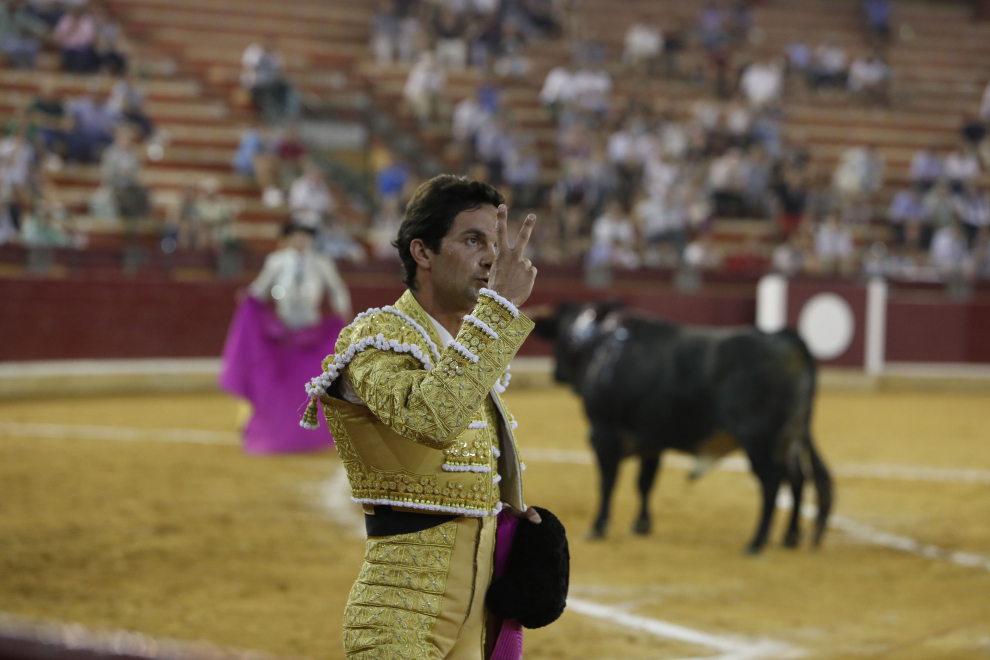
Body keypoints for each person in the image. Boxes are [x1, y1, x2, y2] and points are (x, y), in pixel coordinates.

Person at [299, 175, 541, 659]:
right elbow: (433, 418)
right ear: (423, 253)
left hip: (477, 617)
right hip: (399, 618)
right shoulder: (374, 340)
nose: (492, 259)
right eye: (474, 241)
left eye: (495, 244)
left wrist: (509, 524)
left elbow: (459, 476)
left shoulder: (465, 355)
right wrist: (496, 312)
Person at [219, 223, 351, 455]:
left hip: (311, 332)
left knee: (315, 383)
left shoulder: (321, 262)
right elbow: (261, 289)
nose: (301, 241)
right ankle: (255, 422)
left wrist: (343, 312)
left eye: (305, 237)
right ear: (289, 239)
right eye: (297, 237)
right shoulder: (276, 261)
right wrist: (249, 299)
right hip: (281, 334)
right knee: (268, 380)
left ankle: (314, 430)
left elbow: (337, 289)